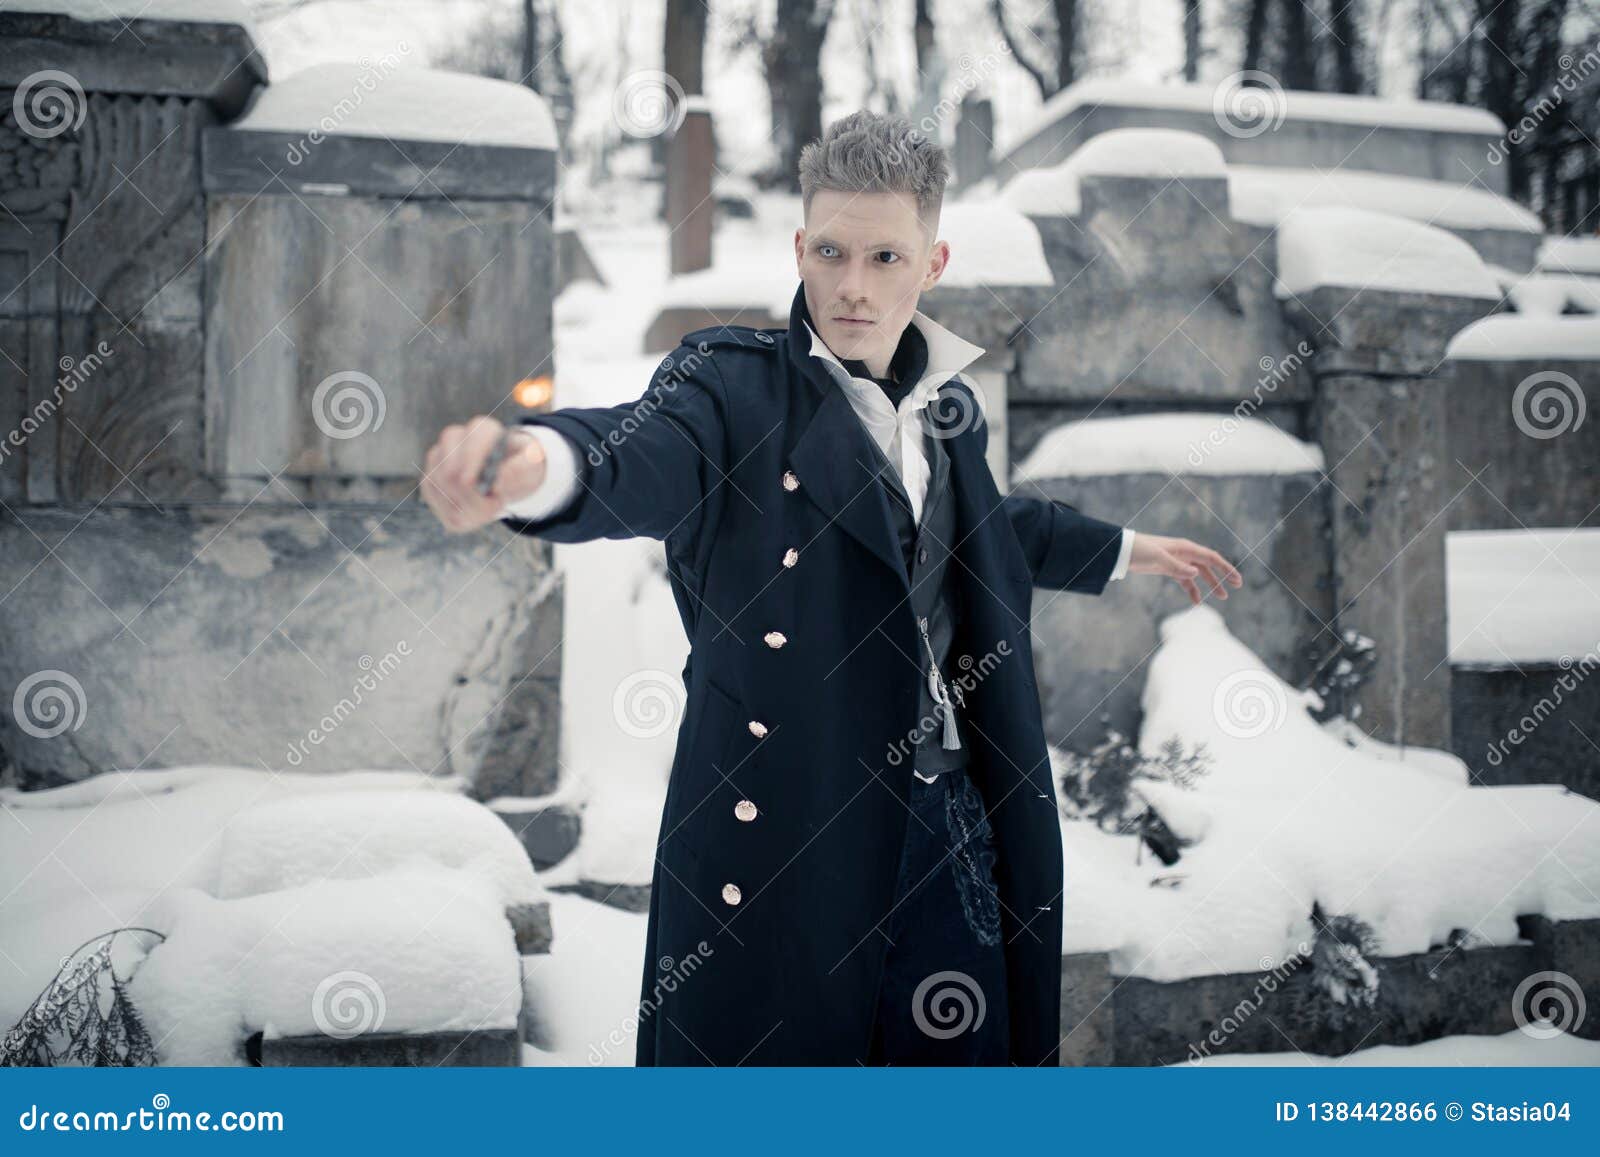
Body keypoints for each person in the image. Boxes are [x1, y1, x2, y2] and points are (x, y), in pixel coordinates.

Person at [421, 110, 1242, 1066]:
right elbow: (639, 455)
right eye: (831, 251)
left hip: (948, 824)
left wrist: (1129, 548)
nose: (852, 286)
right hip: (789, 835)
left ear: (932, 264)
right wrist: (537, 466)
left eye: (886, 257)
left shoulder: (945, 411)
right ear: (800, 246)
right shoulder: (734, 392)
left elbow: (977, 529)